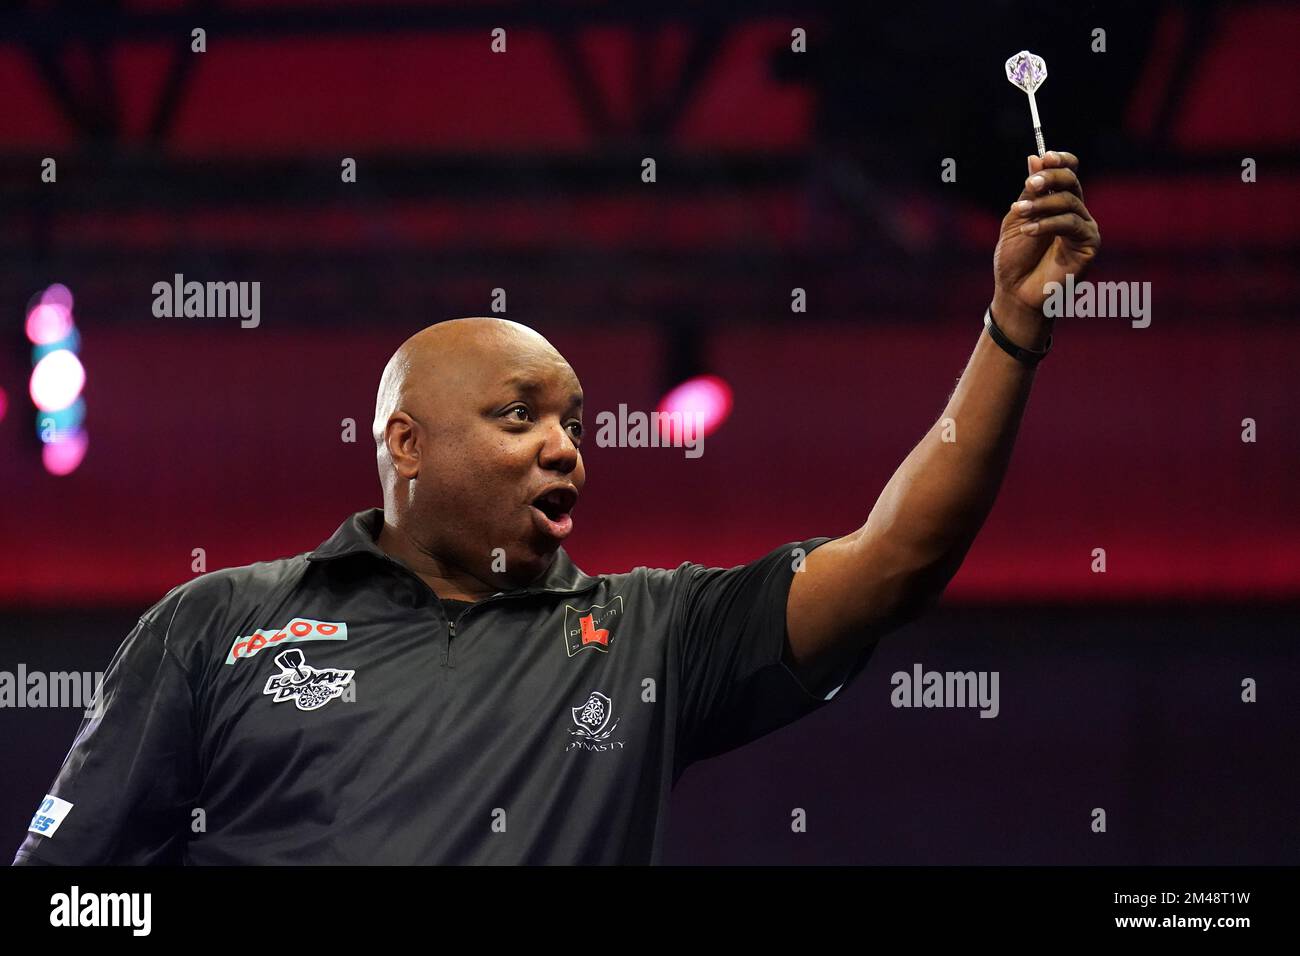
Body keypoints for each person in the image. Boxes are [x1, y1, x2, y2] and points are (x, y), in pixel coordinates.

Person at [14, 151, 1098, 865]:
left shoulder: (648, 636)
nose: (563, 447)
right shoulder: (217, 622)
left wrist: (1008, 327)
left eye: (575, 424)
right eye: (520, 415)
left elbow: (900, 554)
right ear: (405, 443)